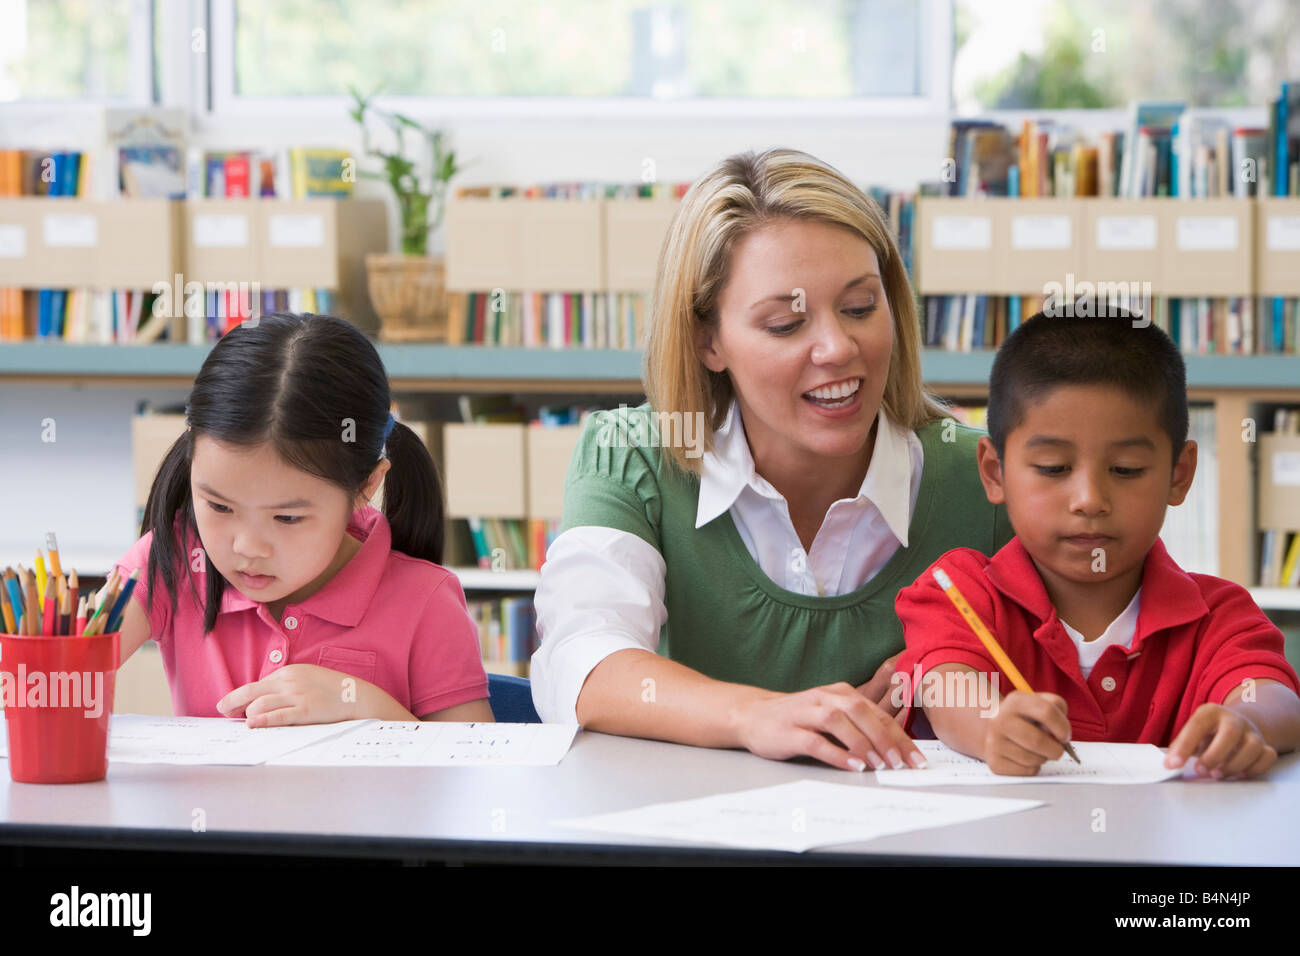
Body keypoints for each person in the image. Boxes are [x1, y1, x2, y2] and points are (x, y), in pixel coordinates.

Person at [530, 147, 1014, 771]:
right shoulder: (632, 455)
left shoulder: (988, 475)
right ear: (708, 340)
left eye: (861, 307)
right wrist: (761, 715)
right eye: (786, 324)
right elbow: (581, 659)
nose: (838, 347)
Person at [895, 307, 1300, 777]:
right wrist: (992, 727)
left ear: (1179, 475)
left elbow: (1273, 695)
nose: (1090, 500)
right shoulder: (959, 590)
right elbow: (945, 684)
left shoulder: (1218, 614)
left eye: (1125, 470)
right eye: (1053, 468)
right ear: (994, 472)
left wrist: (1245, 723)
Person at [113, 313, 492, 724]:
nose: (247, 547)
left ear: (366, 484)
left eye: (287, 517)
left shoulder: (426, 603)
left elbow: (471, 772)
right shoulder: (174, 561)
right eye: (220, 507)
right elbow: (64, 669)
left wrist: (368, 708)